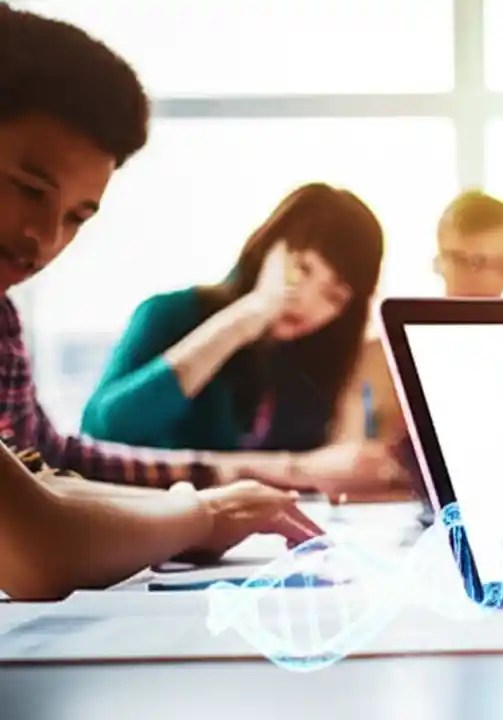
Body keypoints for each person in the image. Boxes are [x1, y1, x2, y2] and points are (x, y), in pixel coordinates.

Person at [0, 5, 319, 599]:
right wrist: (201, 516)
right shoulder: (175, 313)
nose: (44, 239)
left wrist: (198, 505)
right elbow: (36, 547)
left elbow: (38, 466)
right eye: (28, 189)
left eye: (76, 217)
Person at [81, 183, 406, 498]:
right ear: (269, 245)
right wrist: (243, 320)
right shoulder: (171, 314)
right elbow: (100, 433)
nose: (306, 300)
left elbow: (343, 466)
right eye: (302, 269)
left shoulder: (320, 355)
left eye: (333, 297)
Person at [355, 189, 503, 447]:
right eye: (470, 262)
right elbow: (362, 453)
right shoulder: (386, 354)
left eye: (500, 265)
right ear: (439, 262)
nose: (485, 278)